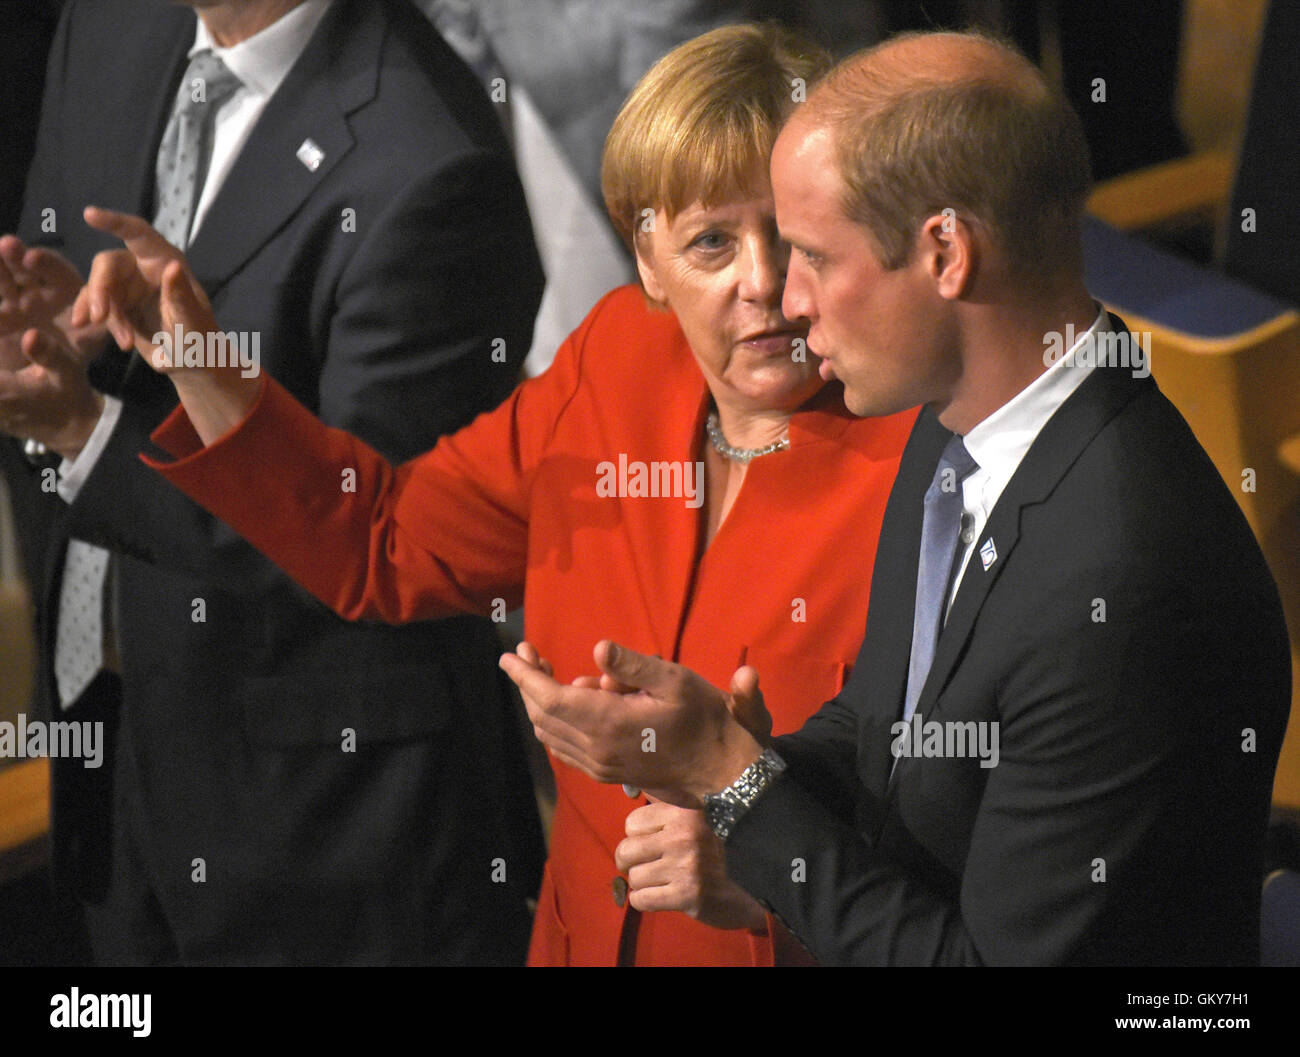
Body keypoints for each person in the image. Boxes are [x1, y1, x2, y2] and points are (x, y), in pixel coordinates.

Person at [72, 24, 918, 965]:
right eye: (712, 242)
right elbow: (384, 543)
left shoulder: (932, 460)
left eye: (796, 241)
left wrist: (767, 869)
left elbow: (982, 884)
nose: (765, 285)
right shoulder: (615, 360)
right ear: (646, 260)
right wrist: (199, 360)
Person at [496, 29, 1294, 965]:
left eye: (813, 257)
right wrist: (732, 760)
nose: (785, 299)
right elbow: (899, 725)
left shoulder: (1121, 583)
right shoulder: (955, 424)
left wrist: (745, 792)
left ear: (946, 254)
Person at [0, 0, 545, 964]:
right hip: (109, 752)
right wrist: (67, 336)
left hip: (324, 836)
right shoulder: (107, 24)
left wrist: (85, 430)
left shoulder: (433, 164)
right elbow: (111, 297)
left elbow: (364, 547)